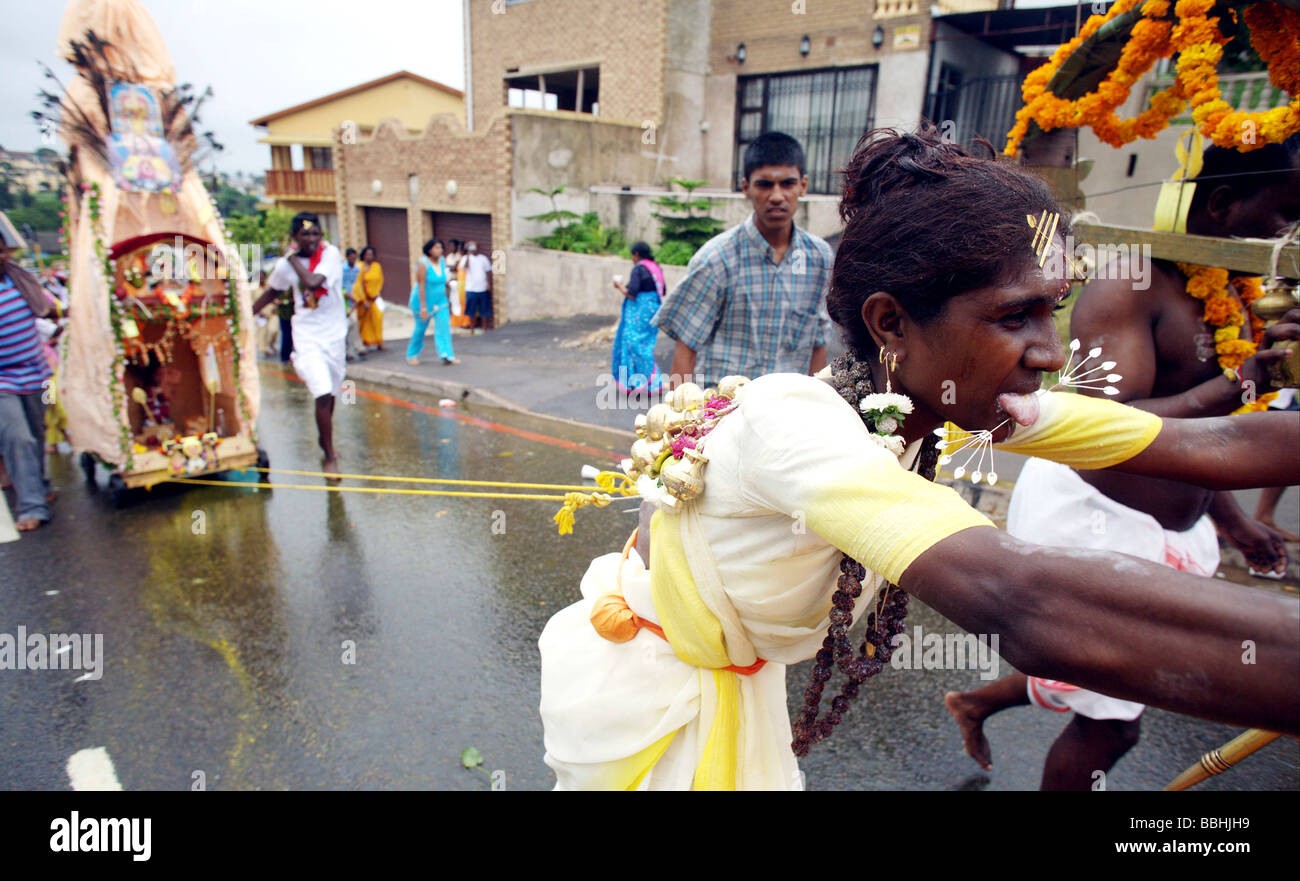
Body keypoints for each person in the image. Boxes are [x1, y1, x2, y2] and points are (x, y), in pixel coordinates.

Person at [537, 126, 1300, 790]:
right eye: (1015, 315)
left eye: (1052, 309)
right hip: (652, 699)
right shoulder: (793, 428)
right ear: (891, 322)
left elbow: (1215, 442)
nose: (1051, 349)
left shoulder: (957, 402)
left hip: (734, 681)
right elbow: (1024, 598)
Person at [946, 135, 1300, 789]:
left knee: (1108, 679)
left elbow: (1212, 441)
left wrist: (1233, 522)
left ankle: (976, 700)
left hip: (1170, 523)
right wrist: (1239, 380)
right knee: (1113, 719)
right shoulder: (1132, 284)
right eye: (1286, 216)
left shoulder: (1237, 290)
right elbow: (1122, 426)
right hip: (1094, 516)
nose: (1290, 235)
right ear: (1222, 204)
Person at [652, 131, 831, 390]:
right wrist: (680, 421)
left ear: (803, 185)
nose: (777, 196)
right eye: (764, 184)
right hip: (723, 416)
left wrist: (820, 407)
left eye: (787, 184)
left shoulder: (819, 258)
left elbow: (819, 341)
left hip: (786, 414)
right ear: (746, 188)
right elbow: (685, 350)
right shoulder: (717, 259)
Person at [252, 213, 348, 480]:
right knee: (321, 390)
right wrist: (247, 314)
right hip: (307, 335)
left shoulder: (329, 255)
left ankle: (324, 439)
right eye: (305, 234)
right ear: (295, 237)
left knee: (330, 394)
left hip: (334, 334)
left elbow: (314, 282)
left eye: (316, 233)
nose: (312, 239)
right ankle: (330, 456)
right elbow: (273, 291)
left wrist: (292, 259)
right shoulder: (285, 266)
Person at [0, 225, 54, 531]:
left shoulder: (20, 279)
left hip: (37, 372)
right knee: (18, 438)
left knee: (37, 434)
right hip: (2, 379)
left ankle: (42, 485)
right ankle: (31, 507)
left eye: (1, 250)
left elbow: (47, 312)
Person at [611, 241, 665, 394]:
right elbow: (663, 290)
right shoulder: (656, 268)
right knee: (646, 345)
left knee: (633, 344)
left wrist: (618, 286)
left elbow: (632, 293)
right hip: (653, 310)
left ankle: (641, 383)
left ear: (636, 254)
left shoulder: (639, 268)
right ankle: (650, 382)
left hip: (639, 313)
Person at [407, 238, 457, 366]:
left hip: (440, 300)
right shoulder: (423, 264)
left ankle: (446, 355)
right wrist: (423, 308)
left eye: (441, 247)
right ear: (429, 250)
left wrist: (449, 297)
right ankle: (412, 355)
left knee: (444, 327)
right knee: (420, 329)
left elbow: (442, 281)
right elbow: (421, 286)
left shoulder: (442, 261)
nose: (440, 250)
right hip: (423, 301)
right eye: (436, 247)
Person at [354, 245, 385, 351]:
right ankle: (363, 342)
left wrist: (376, 292)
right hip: (362, 298)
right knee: (363, 321)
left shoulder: (377, 266)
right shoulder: (359, 266)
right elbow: (357, 283)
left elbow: (380, 280)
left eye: (371, 254)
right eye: (367, 254)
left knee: (378, 317)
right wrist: (362, 299)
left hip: (373, 297)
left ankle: (379, 342)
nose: (369, 257)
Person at [460, 241, 492, 334]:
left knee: (484, 309)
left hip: (482, 288)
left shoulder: (483, 258)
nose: (473, 249)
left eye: (475, 247)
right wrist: (468, 255)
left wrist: (488, 283)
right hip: (471, 288)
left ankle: (485, 328)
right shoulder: (465, 258)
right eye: (471, 247)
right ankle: (472, 329)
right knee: (471, 310)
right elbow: (465, 267)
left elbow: (488, 271)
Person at [341, 247, 365, 362]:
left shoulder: (357, 269)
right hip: (343, 302)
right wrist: (351, 298)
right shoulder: (341, 270)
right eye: (351, 257)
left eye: (355, 257)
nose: (353, 259)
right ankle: (345, 351)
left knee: (354, 324)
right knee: (345, 327)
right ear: (347, 257)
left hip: (353, 301)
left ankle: (358, 347)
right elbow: (341, 288)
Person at [446, 239, 471, 330]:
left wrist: (450, 267)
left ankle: (465, 322)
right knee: (455, 303)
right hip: (454, 284)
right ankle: (457, 321)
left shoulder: (463, 258)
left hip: (461, 283)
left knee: (463, 304)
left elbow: (454, 268)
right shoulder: (450, 257)